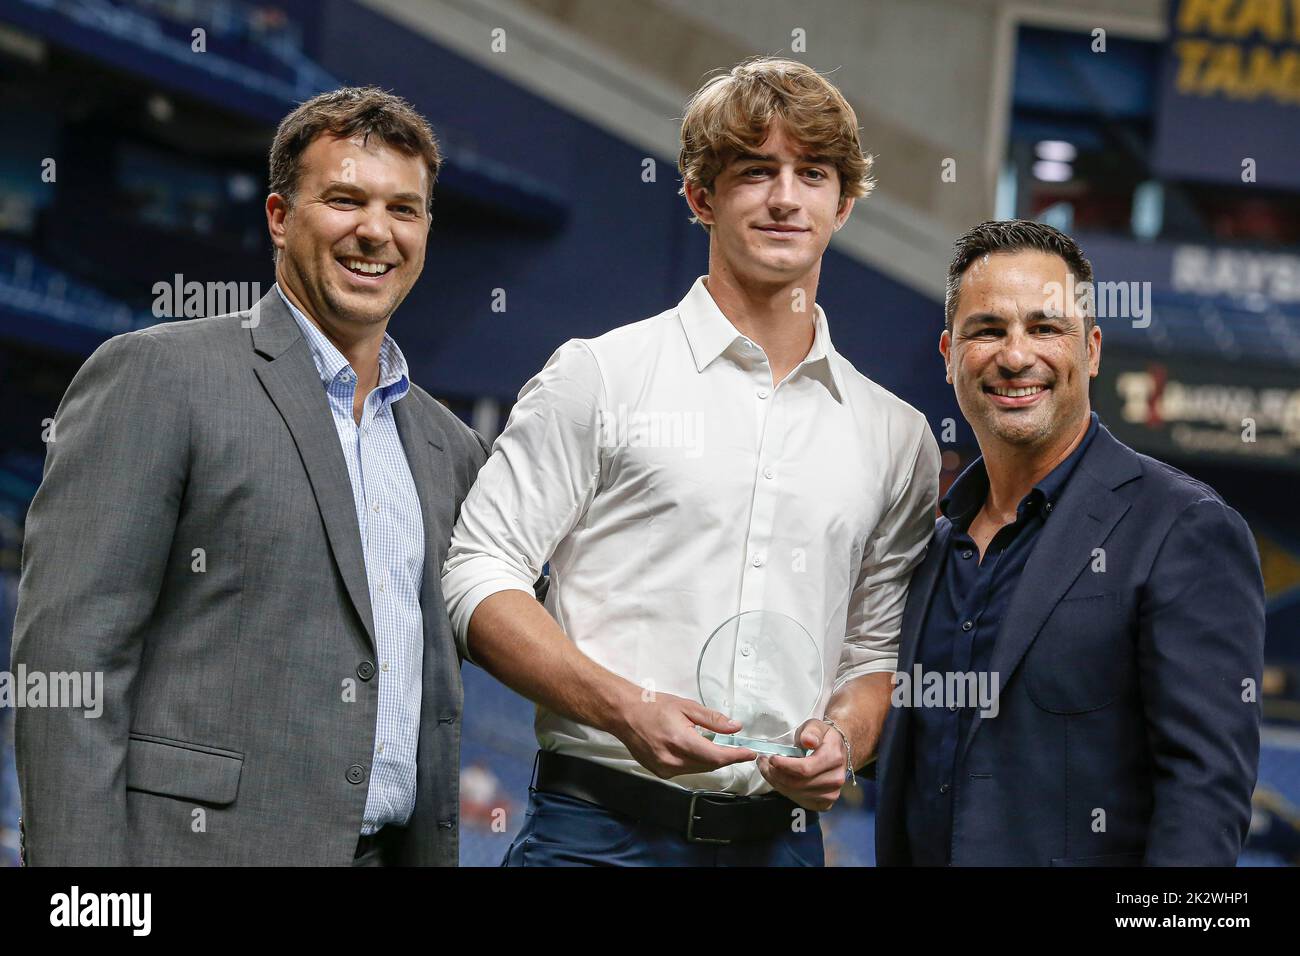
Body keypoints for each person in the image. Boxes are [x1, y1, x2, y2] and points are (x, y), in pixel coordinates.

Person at [441, 57, 939, 866]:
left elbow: (874, 655)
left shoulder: (897, 436)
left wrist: (845, 740)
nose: (785, 197)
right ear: (701, 197)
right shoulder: (600, 375)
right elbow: (477, 575)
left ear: (842, 204)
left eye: (811, 174)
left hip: (783, 845)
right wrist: (624, 708)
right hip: (595, 835)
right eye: (755, 172)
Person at [13, 87, 489, 866]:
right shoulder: (160, 376)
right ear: (278, 216)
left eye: (404, 209)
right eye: (344, 199)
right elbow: (70, 664)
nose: (376, 231)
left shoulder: (449, 447)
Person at [874, 219, 1264, 866]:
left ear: (1093, 350)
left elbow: (1204, 799)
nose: (1016, 355)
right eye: (988, 330)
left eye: (1045, 328)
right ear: (948, 355)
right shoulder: (933, 543)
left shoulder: (1184, 528)